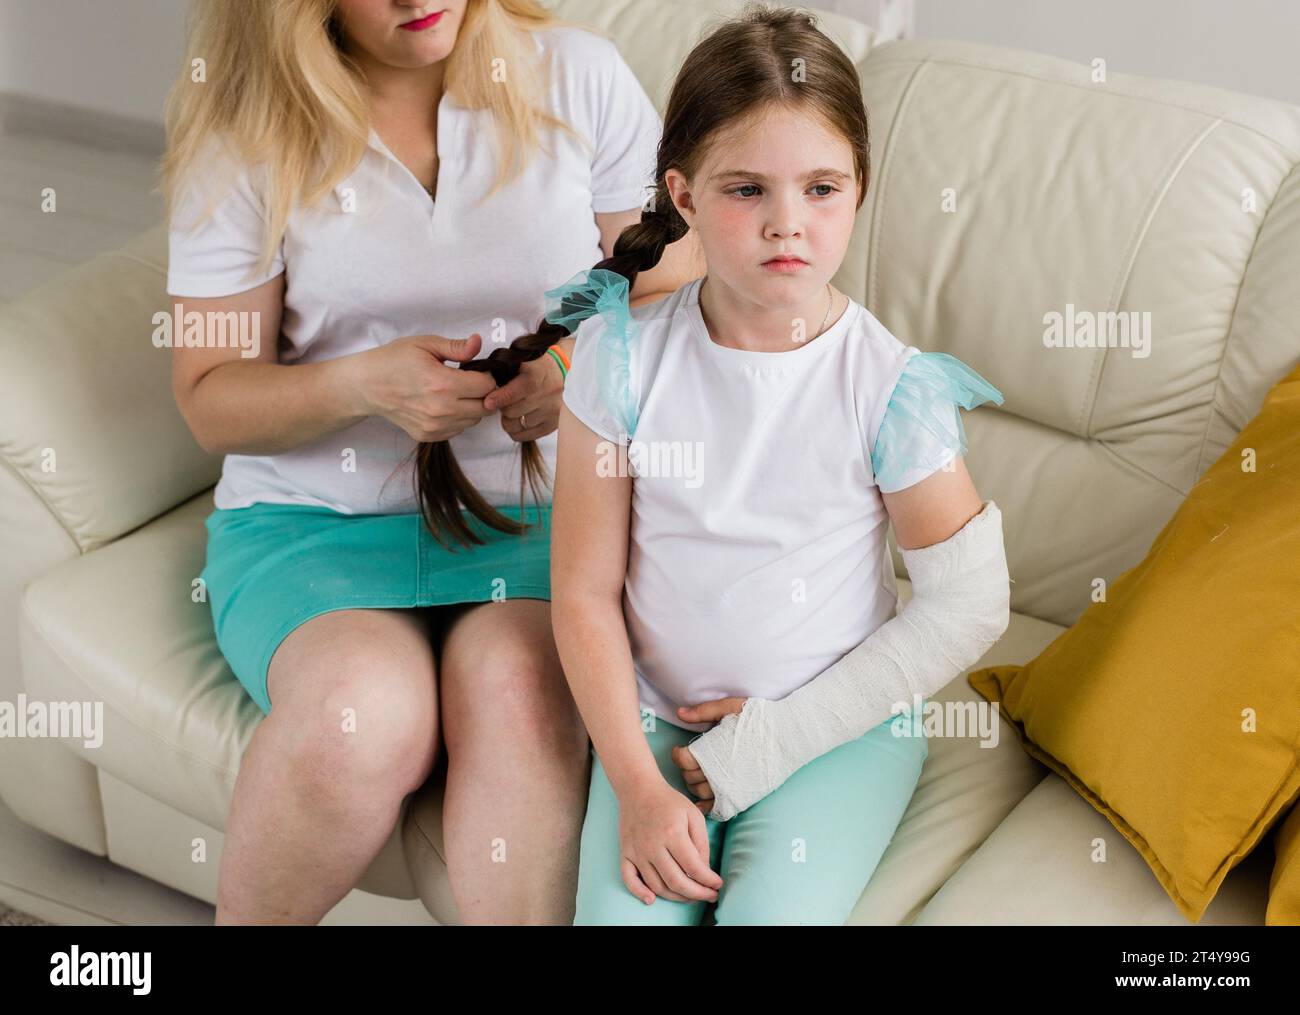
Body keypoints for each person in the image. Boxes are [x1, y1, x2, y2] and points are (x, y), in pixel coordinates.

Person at [160, 0, 702, 924]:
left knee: (524, 693)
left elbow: (680, 292)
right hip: (314, 527)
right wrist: (360, 388)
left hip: (543, 518)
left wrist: (574, 368)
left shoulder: (579, 77)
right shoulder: (247, 131)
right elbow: (210, 394)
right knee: (357, 717)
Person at [547, 4, 1012, 924]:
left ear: (861, 190)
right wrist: (639, 787)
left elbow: (969, 603)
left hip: (836, 735)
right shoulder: (620, 359)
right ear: (681, 197)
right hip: (653, 723)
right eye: (746, 189)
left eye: (822, 189)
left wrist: (776, 740)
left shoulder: (888, 387)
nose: (786, 225)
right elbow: (582, 593)